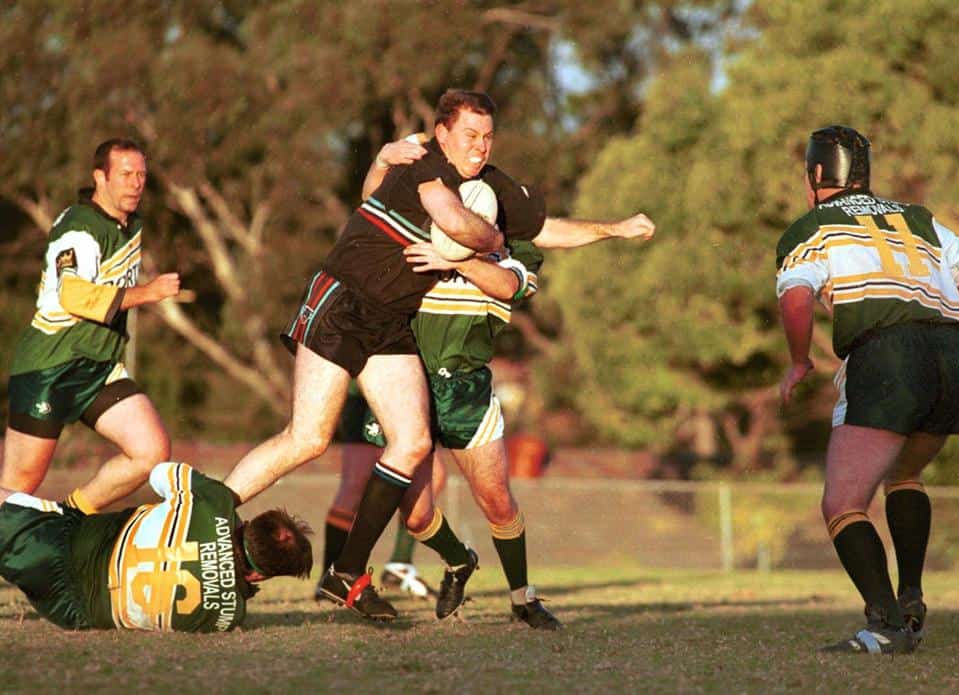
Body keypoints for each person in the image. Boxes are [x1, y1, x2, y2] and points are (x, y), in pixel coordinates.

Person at [317, 134, 656, 629]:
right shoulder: (417, 225)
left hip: (467, 387)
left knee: (497, 500)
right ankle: (459, 561)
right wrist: (382, 160)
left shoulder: (511, 248)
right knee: (413, 516)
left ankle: (522, 598)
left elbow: (510, 286)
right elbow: (368, 210)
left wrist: (458, 260)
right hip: (405, 371)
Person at [223, 90, 520, 622]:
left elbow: (372, 197)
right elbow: (453, 222)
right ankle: (209, 515)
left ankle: (345, 574)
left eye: (488, 136)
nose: (480, 147)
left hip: (389, 319)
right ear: (442, 134)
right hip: (342, 301)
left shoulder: (443, 174)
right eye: (470, 135)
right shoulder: (429, 167)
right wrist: (494, 237)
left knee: (412, 442)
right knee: (308, 438)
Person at [776, 125, 959, 654]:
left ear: (816, 174)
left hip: (889, 353)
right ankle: (910, 598)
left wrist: (796, 361)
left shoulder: (811, 225)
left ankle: (884, 624)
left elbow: (795, 296)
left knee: (842, 502)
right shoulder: (917, 217)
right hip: (953, 351)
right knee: (904, 473)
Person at [3, 138, 182, 513]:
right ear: (99, 178)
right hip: (50, 366)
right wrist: (147, 292)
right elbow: (74, 297)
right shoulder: (79, 229)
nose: (135, 183)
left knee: (150, 452)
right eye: (126, 174)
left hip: (98, 368)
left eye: (142, 176)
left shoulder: (131, 225)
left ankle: (69, 517)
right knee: (16, 491)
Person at [0, 461, 312, 632]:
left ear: (249, 523)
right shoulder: (229, 618)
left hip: (63, 546)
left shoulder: (215, 503)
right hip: (74, 614)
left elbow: (158, 473)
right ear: (260, 577)